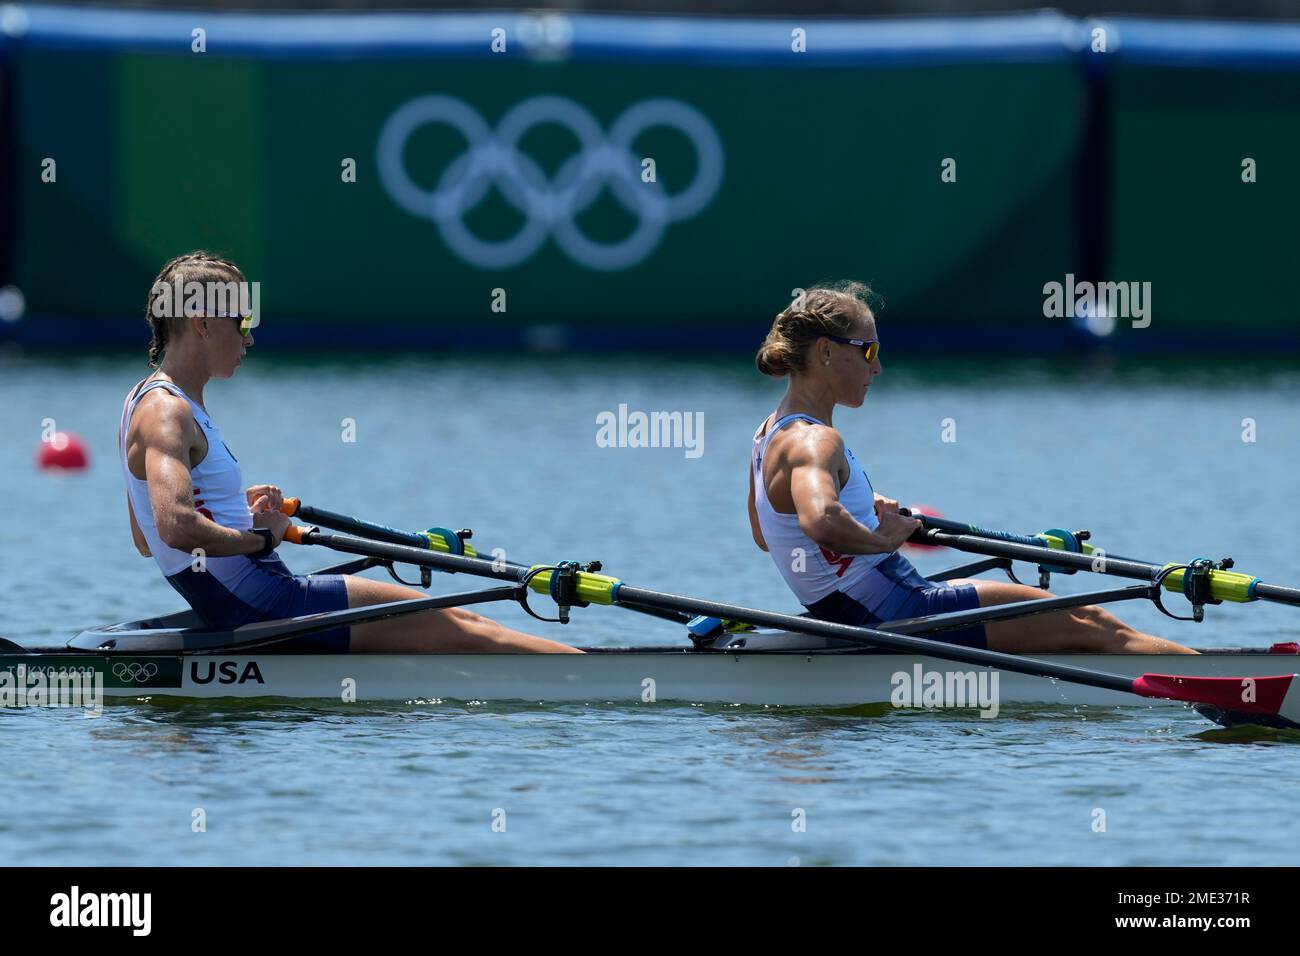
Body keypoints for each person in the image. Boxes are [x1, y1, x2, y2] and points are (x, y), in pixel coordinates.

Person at [121, 251, 579, 654]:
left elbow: (147, 538)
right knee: (462, 625)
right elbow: (176, 527)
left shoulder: (141, 401)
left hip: (251, 599)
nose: (250, 338)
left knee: (458, 622)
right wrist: (264, 538)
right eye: (242, 322)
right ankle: (596, 678)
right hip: (266, 603)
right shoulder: (168, 412)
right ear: (202, 324)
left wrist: (235, 512)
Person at [748, 281, 1194, 655]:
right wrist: (880, 537)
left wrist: (862, 511)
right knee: (1089, 619)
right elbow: (820, 520)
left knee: (1063, 624)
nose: (878, 368)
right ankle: (1234, 684)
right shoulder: (816, 439)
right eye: (868, 353)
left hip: (866, 605)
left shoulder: (768, 435)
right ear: (825, 352)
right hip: (896, 609)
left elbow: (766, 536)